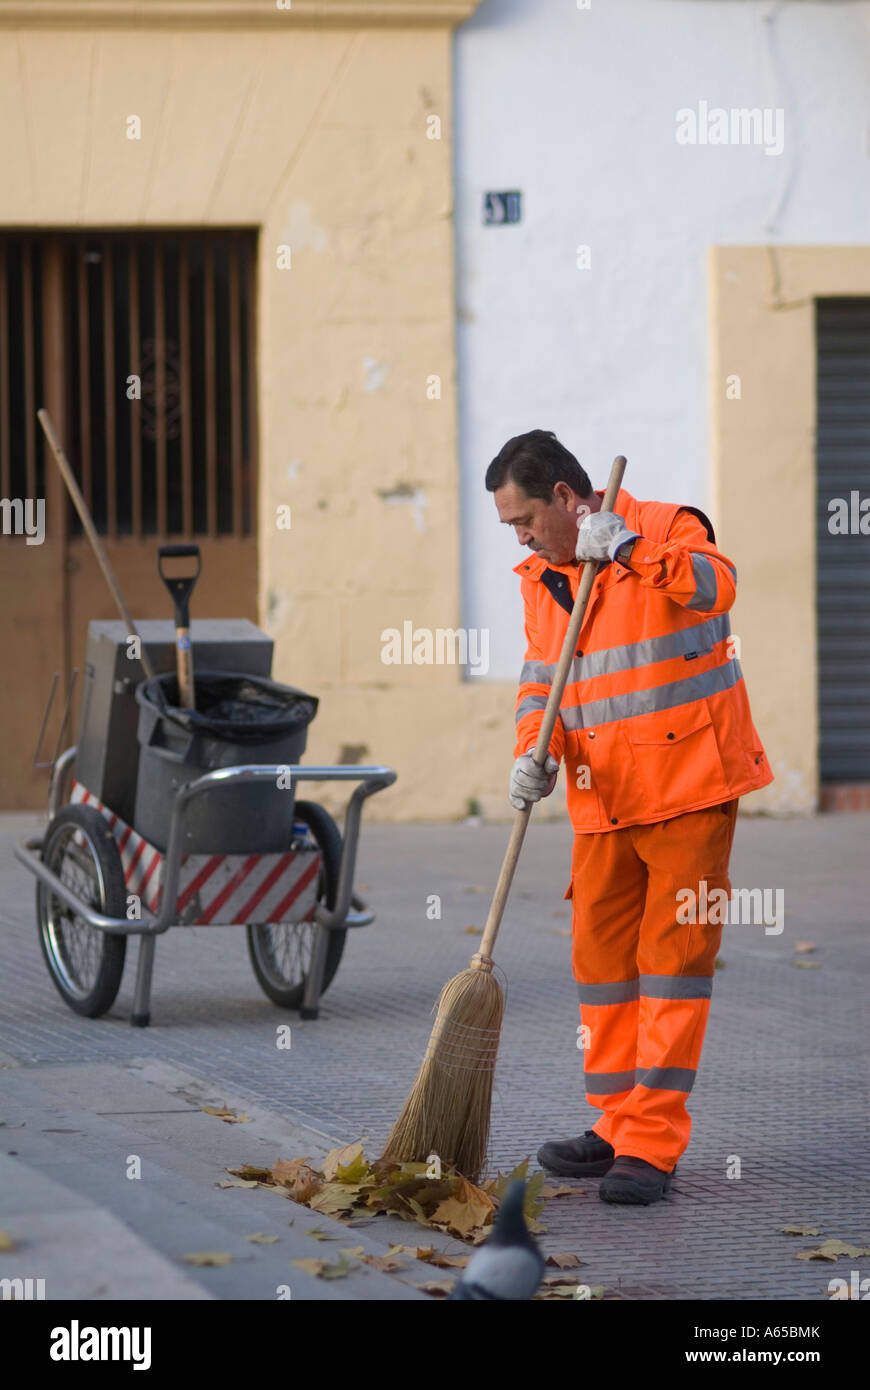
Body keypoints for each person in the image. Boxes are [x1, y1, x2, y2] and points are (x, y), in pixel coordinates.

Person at [486, 429, 774, 1206]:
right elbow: (540, 680)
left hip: (690, 786)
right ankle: (614, 1122)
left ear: (567, 500)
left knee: (673, 965)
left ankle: (651, 1142)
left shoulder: (671, 526)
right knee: (603, 966)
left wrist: (628, 550)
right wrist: (530, 752)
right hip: (601, 799)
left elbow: (717, 588)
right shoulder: (541, 577)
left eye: (524, 520)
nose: (519, 537)